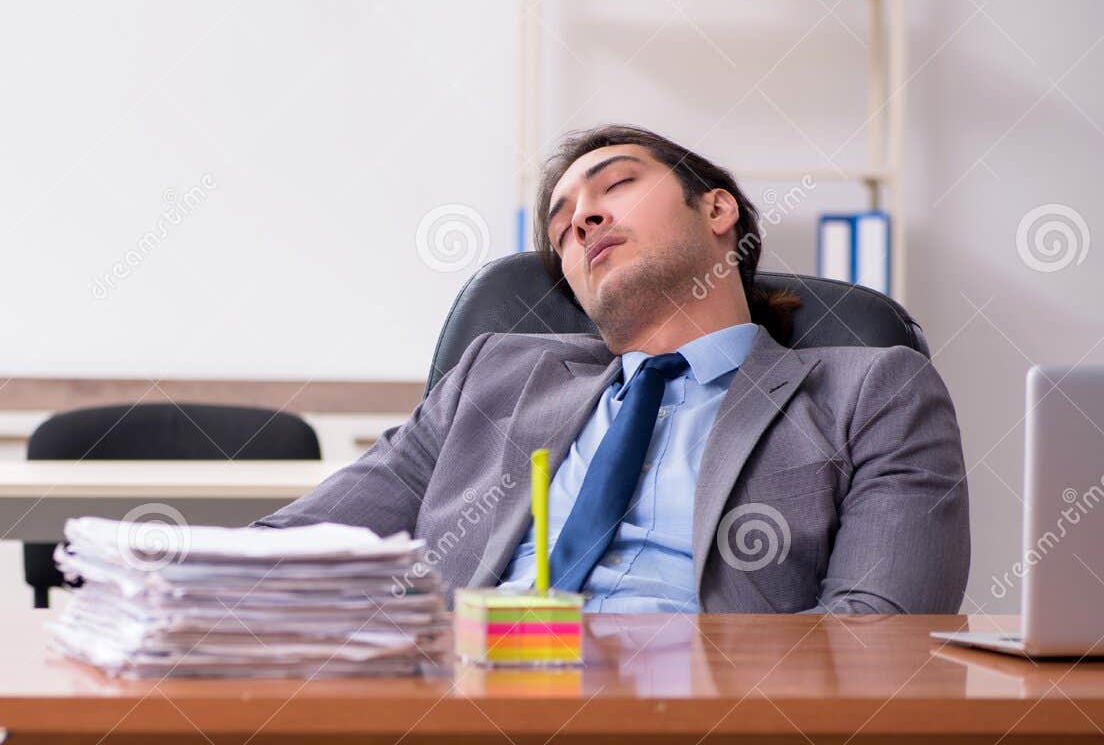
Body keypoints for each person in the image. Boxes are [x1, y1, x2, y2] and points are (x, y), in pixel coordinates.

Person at [254, 124, 971, 613]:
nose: (583, 220)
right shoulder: (493, 378)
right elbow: (294, 549)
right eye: (562, 226)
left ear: (718, 208)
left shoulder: (873, 391)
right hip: (459, 717)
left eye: (615, 185)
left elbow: (876, 633)